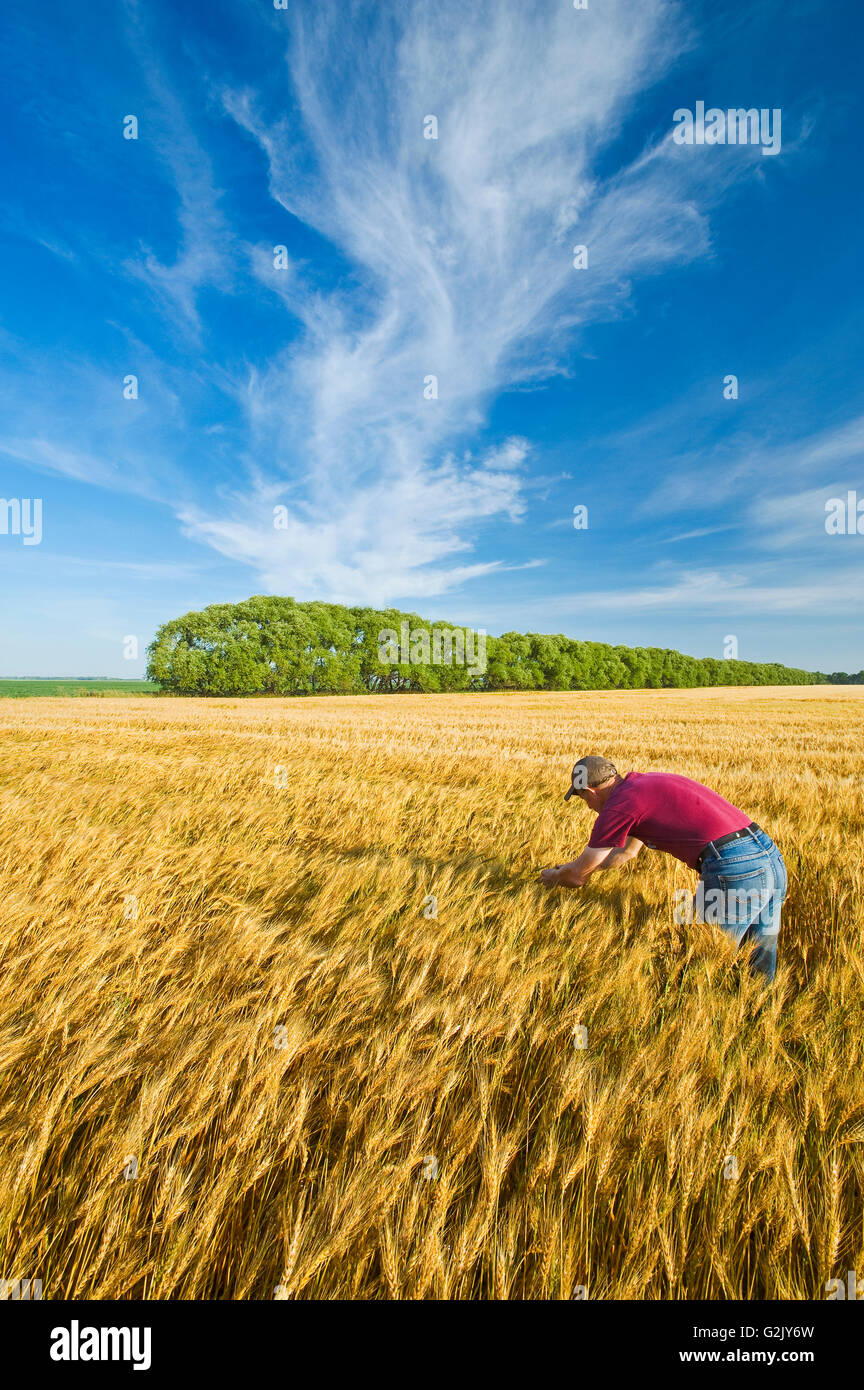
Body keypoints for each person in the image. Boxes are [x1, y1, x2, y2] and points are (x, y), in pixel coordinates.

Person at [540, 755, 787, 981]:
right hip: (770, 860)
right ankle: (757, 1015)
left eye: (583, 798)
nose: (587, 806)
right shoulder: (643, 786)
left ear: (591, 791)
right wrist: (577, 869)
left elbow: (576, 878)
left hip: (734, 868)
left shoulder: (617, 807)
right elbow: (626, 852)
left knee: (698, 961)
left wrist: (557, 876)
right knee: (759, 964)